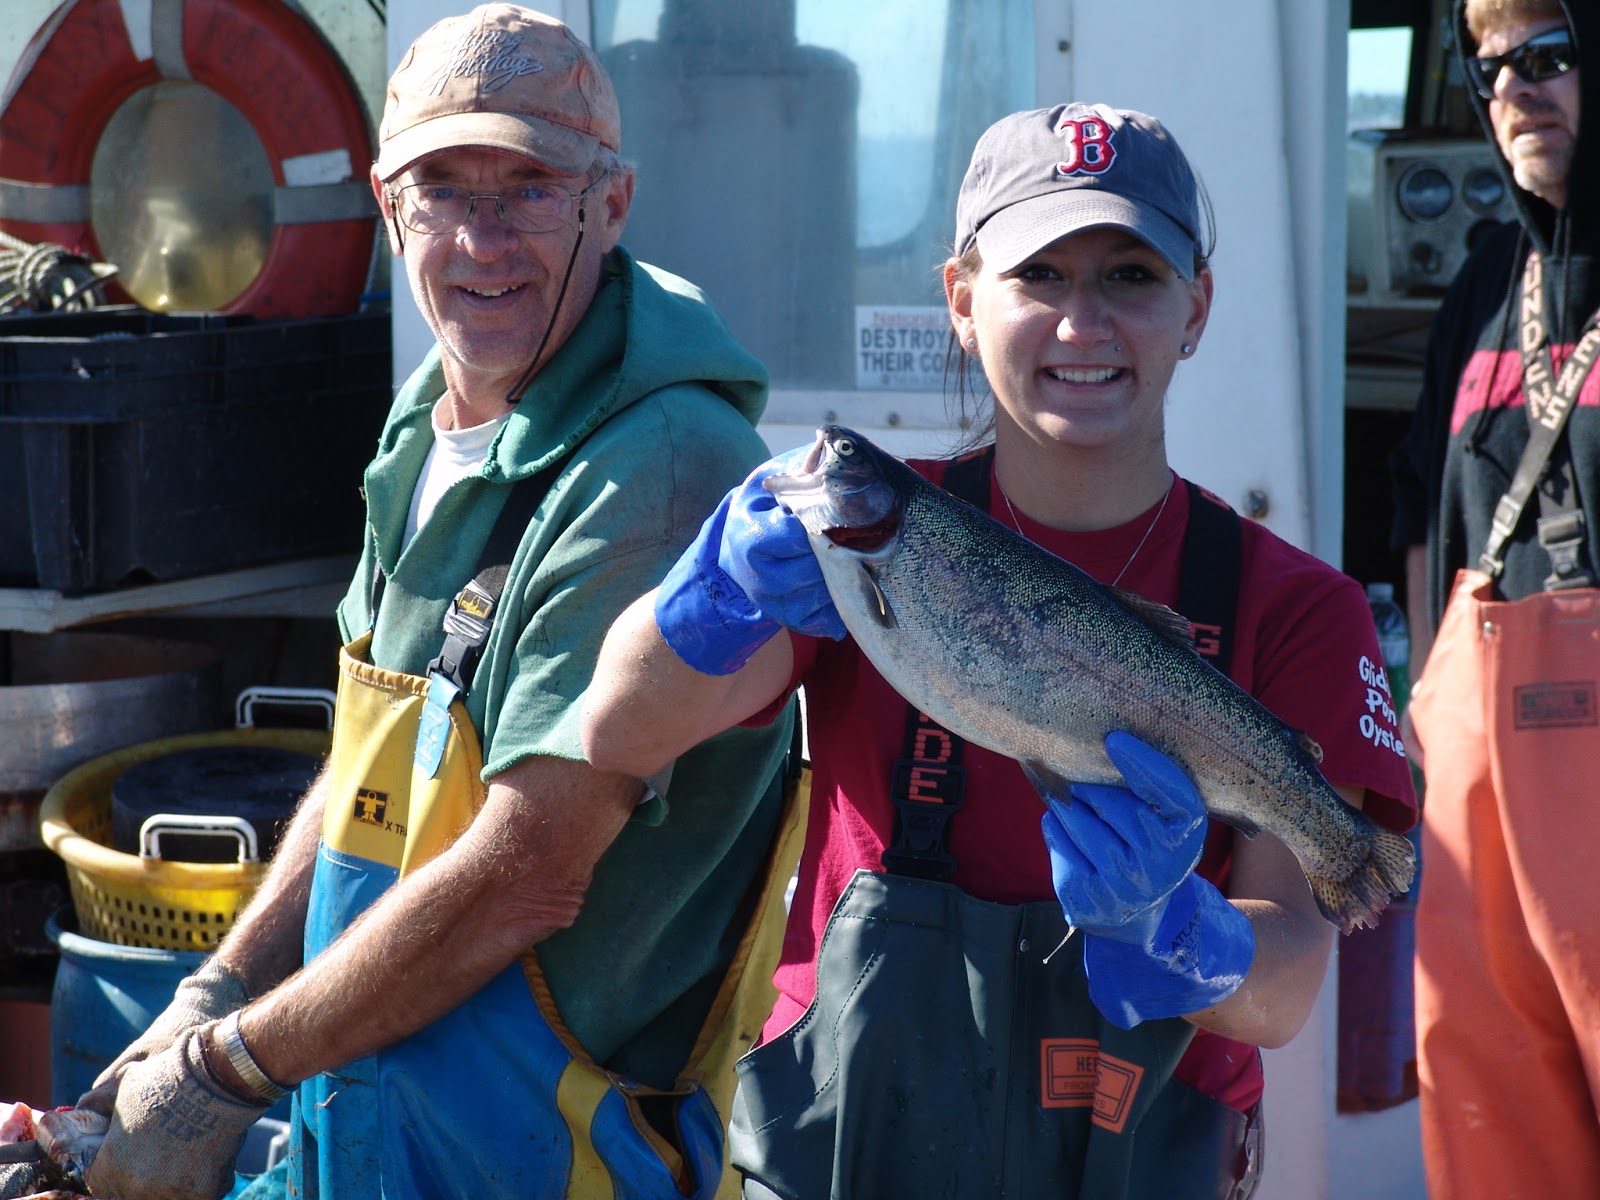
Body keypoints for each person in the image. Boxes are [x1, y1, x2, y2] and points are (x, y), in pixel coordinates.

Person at [583, 102, 1417, 1199]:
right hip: (848, 1134)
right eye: (1038, 278)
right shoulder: (853, 537)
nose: (1082, 324)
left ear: (1194, 308)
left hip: (1144, 1151)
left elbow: (1282, 993)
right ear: (962, 302)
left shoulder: (1296, 605)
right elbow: (616, 733)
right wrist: (708, 601)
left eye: (1129, 275)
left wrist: (1178, 933)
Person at [73, 6, 801, 1199]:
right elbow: (368, 768)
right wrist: (218, 989)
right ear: (386, 203)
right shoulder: (428, 427)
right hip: (375, 1144)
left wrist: (227, 1071)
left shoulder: (659, 466)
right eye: (443, 189)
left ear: (610, 207)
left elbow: (527, 871)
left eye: (527, 187)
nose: (482, 237)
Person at [1389, 1, 1600, 1195]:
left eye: (1552, 54)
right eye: (1492, 65)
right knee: (1485, 1115)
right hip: (1473, 779)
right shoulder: (1483, 280)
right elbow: (1420, 504)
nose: (1517, 86)